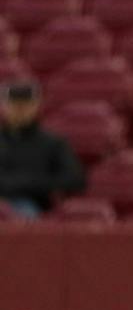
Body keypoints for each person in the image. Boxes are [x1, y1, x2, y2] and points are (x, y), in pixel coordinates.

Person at [0, 82, 84, 219]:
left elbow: (74, 179)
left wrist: (32, 183)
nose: (20, 110)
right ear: (4, 107)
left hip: (34, 206)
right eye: (14, 105)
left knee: (25, 211)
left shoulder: (53, 143)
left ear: (36, 106)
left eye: (25, 105)